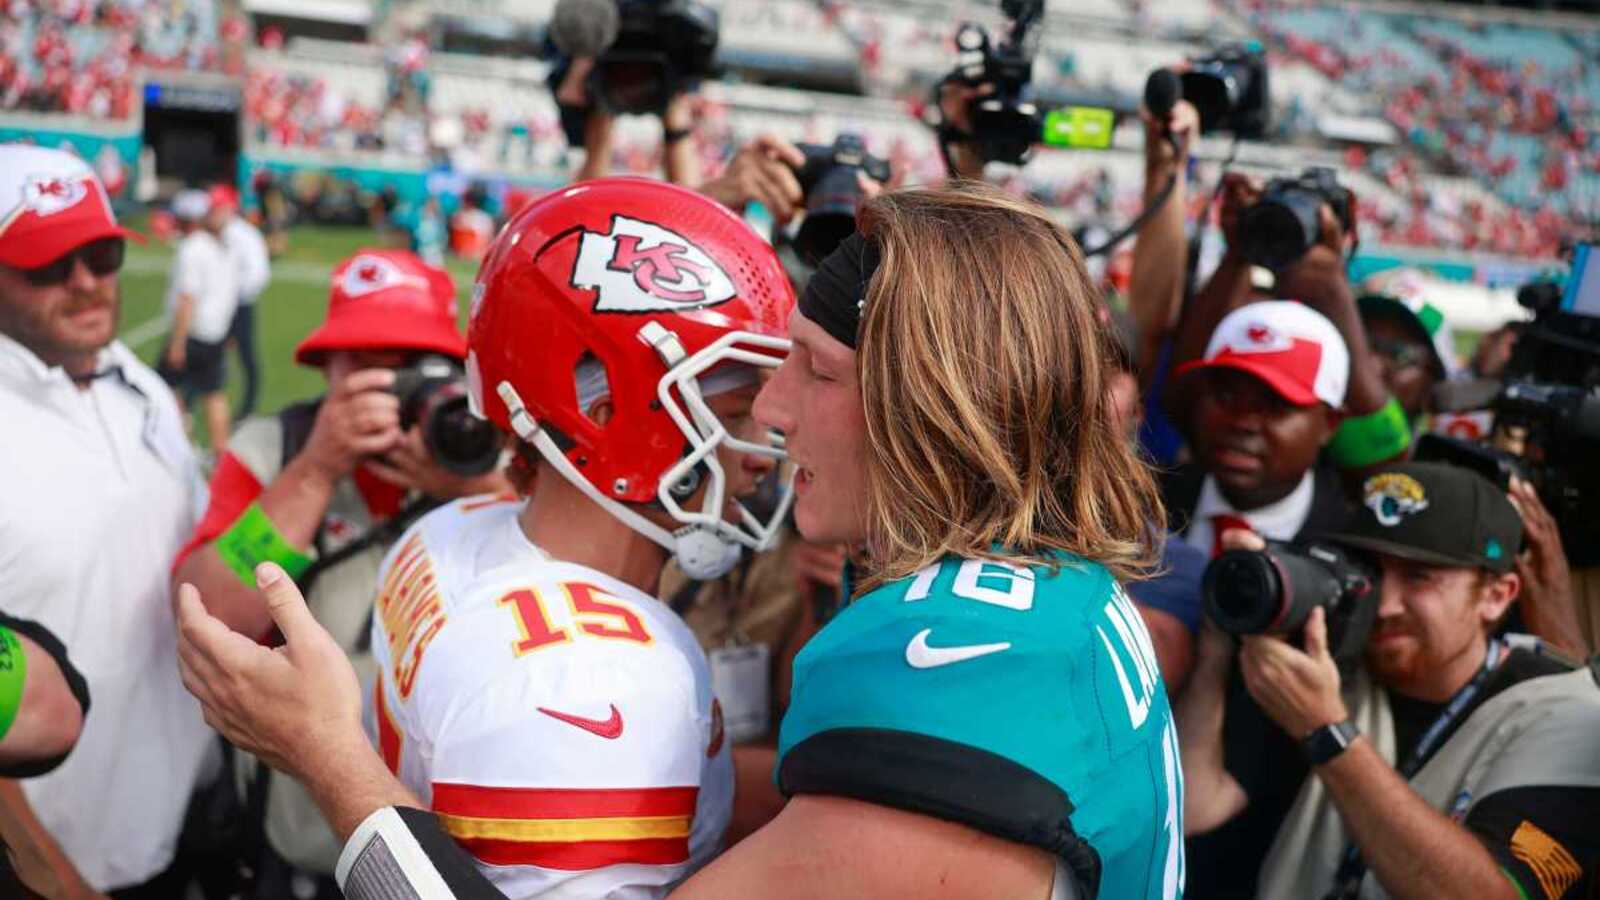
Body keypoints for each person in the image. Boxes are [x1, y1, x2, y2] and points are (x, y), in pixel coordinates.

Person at [175, 181, 1184, 900]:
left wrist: (327, 756)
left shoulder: (955, 663)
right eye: (752, 380)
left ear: (931, 406)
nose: (775, 417)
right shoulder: (1056, 594)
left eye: (811, 374)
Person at [364, 179, 795, 896]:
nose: (763, 446)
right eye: (738, 410)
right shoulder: (592, 685)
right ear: (602, 414)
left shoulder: (454, 527)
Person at [170, 248, 507, 894]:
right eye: (363, 361)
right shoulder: (277, 449)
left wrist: (481, 484)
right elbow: (202, 617)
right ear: (325, 366)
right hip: (295, 836)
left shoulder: (492, 455)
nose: (389, 385)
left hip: (457, 855)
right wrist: (316, 470)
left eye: (409, 364)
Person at [1180, 462, 1600, 900]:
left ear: (1497, 596)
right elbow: (1196, 805)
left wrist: (1327, 732)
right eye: (1373, 574)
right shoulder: (1331, 665)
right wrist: (1218, 645)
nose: (1385, 606)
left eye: (1419, 577)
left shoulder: (1568, 712)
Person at [0, 143, 213, 896]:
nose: (86, 282)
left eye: (100, 253)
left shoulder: (142, 383)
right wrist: (51, 880)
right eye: (47, 262)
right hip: (56, 870)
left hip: (182, 826)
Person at [1164, 300, 1355, 558]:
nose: (1243, 423)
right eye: (1227, 397)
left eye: (1275, 405)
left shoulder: (1351, 547)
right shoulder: (1141, 504)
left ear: (1329, 424)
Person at [159, 187, 238, 452]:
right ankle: (220, 452)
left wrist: (178, 342)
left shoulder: (194, 247)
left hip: (194, 332)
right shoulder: (225, 247)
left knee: (167, 391)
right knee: (213, 394)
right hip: (215, 332)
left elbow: (187, 297)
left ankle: (183, 446)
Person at [210, 183, 271, 419]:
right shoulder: (220, 234)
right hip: (220, 304)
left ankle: (248, 405)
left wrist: (234, 295)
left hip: (238, 305)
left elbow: (258, 273)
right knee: (210, 353)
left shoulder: (243, 235)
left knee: (245, 356)